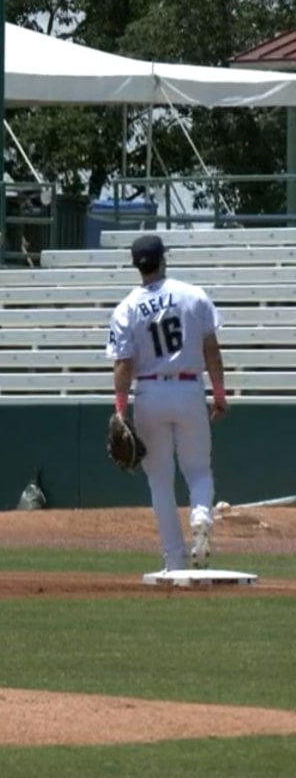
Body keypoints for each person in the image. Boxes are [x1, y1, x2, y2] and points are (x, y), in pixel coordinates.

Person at [105, 233, 228, 572]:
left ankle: (174, 561)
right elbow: (212, 352)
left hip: (149, 393)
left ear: (136, 266)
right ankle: (201, 516)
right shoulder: (193, 295)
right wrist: (218, 394)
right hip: (189, 389)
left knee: (159, 481)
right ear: (162, 260)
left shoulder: (127, 307)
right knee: (199, 470)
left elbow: (123, 364)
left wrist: (119, 409)